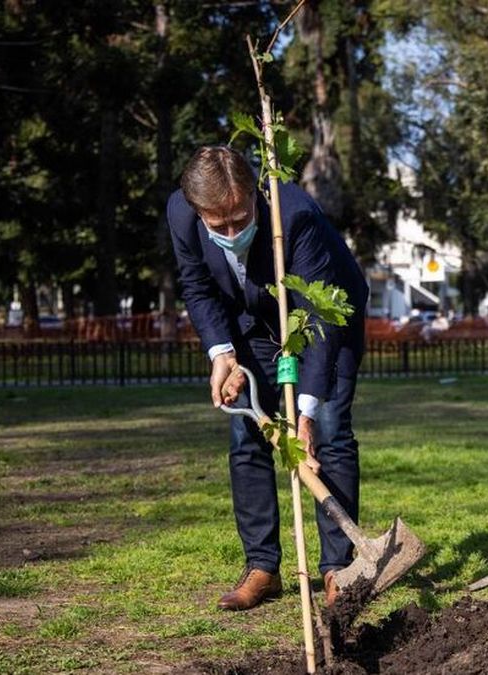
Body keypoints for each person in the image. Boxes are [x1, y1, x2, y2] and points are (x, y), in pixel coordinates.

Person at [167, 146, 369, 610]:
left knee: (331, 435)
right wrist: (222, 353)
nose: (233, 233)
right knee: (248, 434)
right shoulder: (180, 213)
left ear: (255, 194)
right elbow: (196, 286)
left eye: (242, 218)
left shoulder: (296, 215)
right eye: (220, 227)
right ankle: (263, 567)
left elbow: (320, 318)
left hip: (324, 317)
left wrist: (306, 412)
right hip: (251, 322)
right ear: (198, 211)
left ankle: (338, 568)